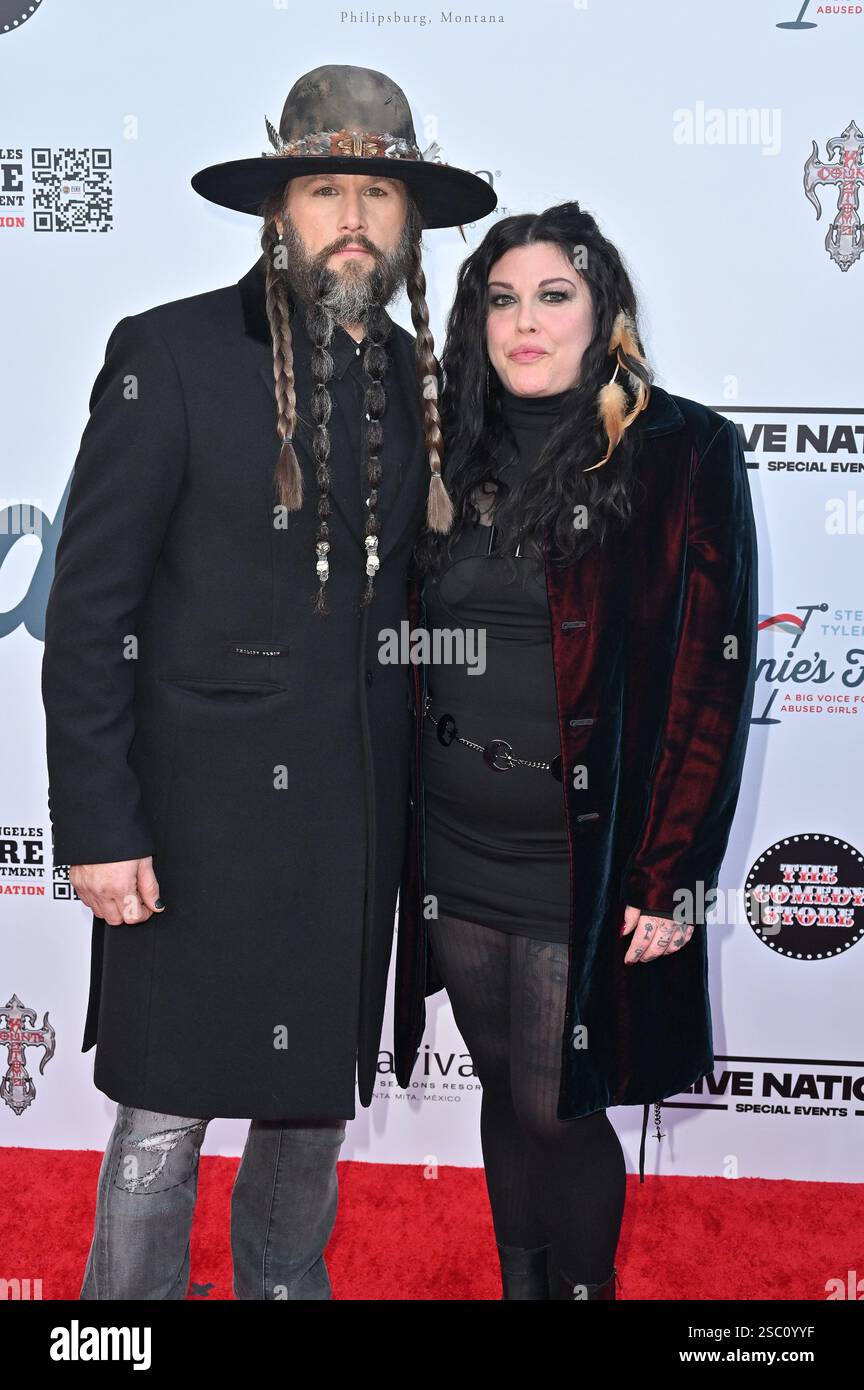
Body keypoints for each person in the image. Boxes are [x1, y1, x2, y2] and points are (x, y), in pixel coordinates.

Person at [40, 63, 495, 1300]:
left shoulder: (429, 384)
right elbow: (88, 617)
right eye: (325, 187)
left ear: (408, 225)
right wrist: (98, 824)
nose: (353, 214)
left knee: (308, 1116)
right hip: (190, 829)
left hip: (347, 826)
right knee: (161, 1120)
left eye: (378, 194)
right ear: (279, 210)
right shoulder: (169, 353)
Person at [394, 202, 758, 1299]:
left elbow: (709, 682)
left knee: (560, 1103)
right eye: (502, 298)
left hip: (584, 859)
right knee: (505, 1093)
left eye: (554, 296)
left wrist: (673, 875)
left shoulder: (681, 450)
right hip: (455, 848)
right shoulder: (443, 449)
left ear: (603, 314)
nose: (526, 322)